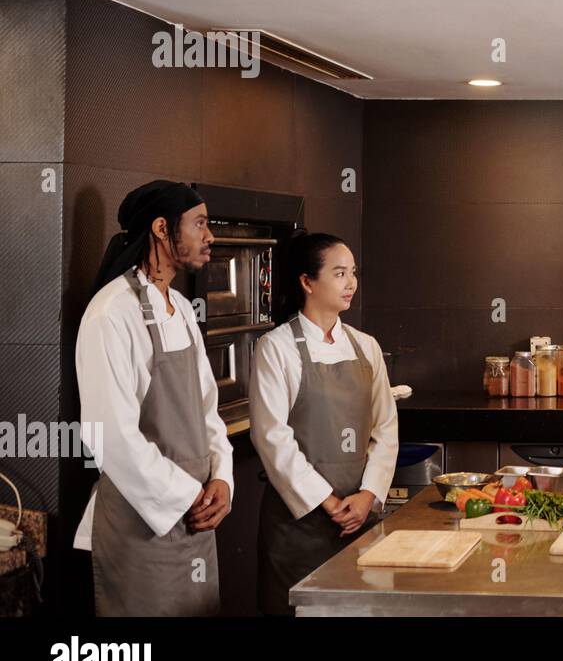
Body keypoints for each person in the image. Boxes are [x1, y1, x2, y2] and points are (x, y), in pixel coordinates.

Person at [74, 180, 232, 616]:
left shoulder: (181, 307)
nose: (210, 236)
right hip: (143, 525)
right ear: (162, 229)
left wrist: (222, 480)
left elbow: (207, 411)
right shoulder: (110, 314)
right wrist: (187, 496)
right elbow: (110, 436)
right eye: (199, 223)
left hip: (197, 519)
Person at [249, 232, 398, 616]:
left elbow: (385, 428)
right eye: (339, 273)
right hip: (298, 527)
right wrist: (328, 502)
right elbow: (271, 438)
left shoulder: (367, 347)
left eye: (353, 273)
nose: (351, 283)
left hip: (359, 520)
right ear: (307, 282)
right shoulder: (276, 348)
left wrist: (368, 496)